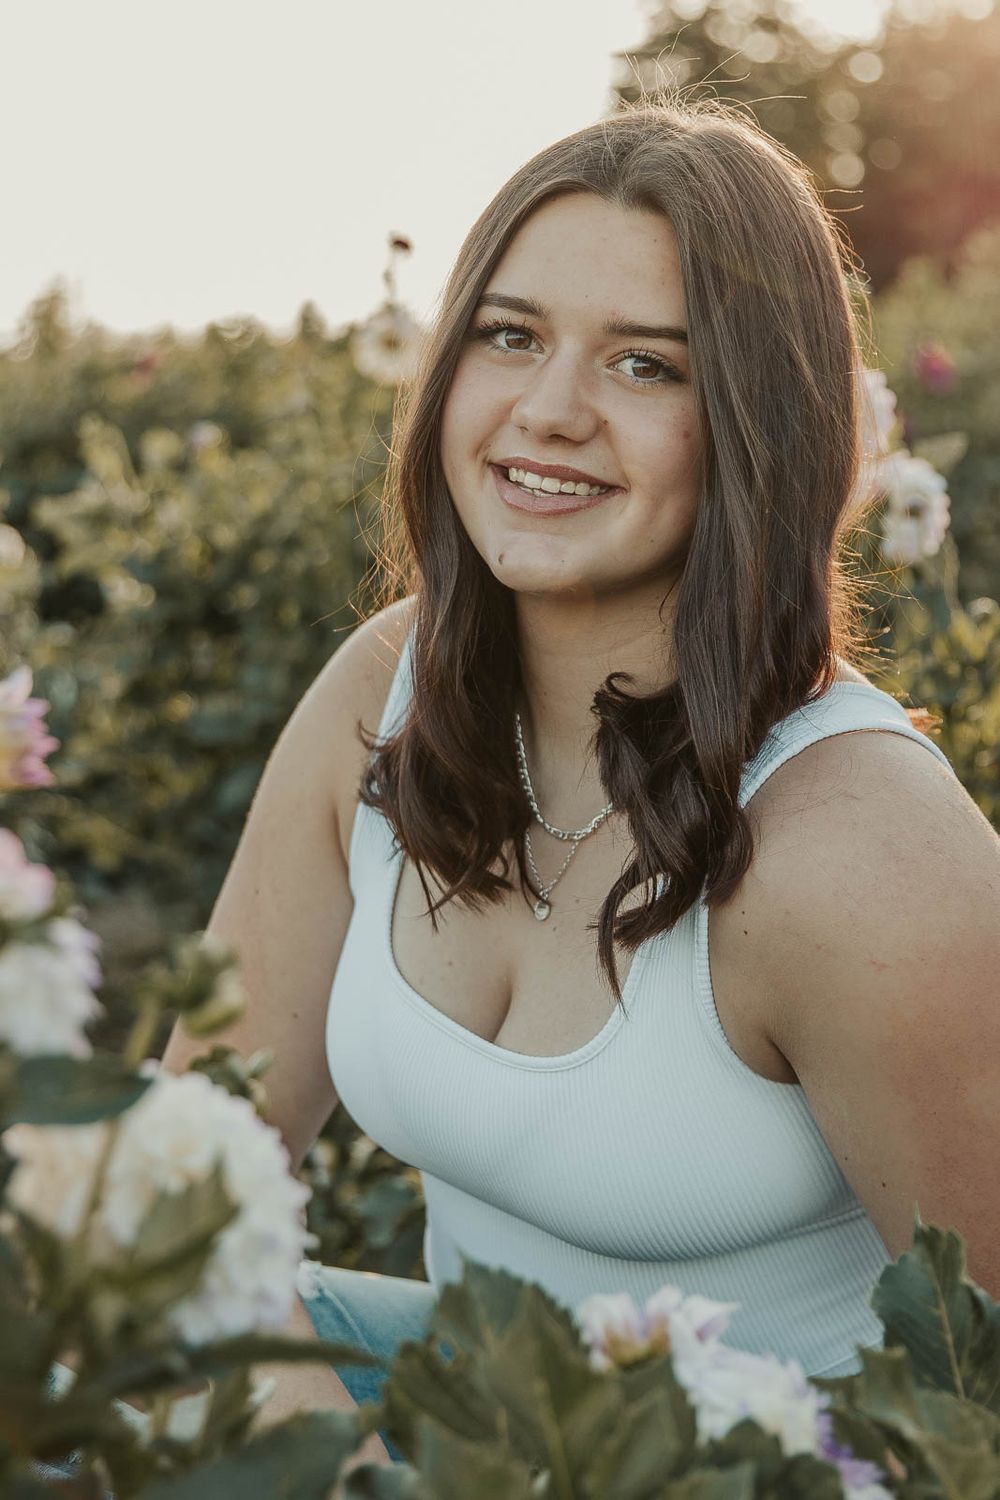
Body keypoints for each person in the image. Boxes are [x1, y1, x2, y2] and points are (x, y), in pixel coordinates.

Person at [89, 94, 1000, 1476]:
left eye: (646, 366)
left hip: (765, 1469)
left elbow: (978, 1396)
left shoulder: (865, 856)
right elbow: (189, 1168)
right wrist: (327, 1457)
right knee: (58, 1324)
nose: (549, 411)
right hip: (466, 1419)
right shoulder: (383, 694)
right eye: (510, 338)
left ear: (760, 422)